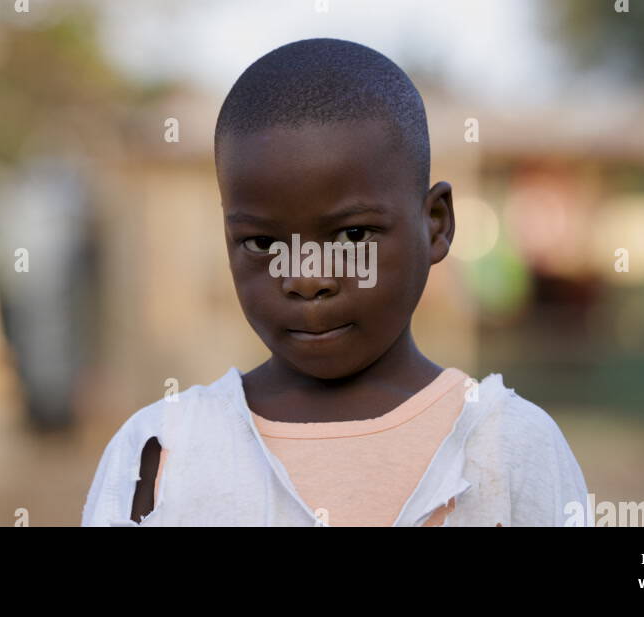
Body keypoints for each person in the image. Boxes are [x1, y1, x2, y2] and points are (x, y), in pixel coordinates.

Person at [82, 38, 591, 527]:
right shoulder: (161, 453)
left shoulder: (509, 448)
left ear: (436, 224)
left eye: (352, 235)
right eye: (262, 244)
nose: (306, 278)